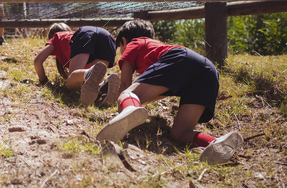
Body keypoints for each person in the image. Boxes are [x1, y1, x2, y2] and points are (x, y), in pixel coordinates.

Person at [96, 19, 243, 165]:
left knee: (127, 94)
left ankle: (128, 111)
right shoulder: (157, 49)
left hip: (182, 58)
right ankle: (216, 143)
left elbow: (126, 84)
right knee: (180, 133)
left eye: (120, 47)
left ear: (123, 40)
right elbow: (161, 90)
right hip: (208, 71)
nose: (121, 53)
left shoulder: (133, 43)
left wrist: (120, 110)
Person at [34, 23, 119, 106]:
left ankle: (87, 73)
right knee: (97, 82)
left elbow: (37, 61)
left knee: (70, 83)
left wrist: (44, 81)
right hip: (107, 36)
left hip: (86, 34)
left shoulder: (57, 37)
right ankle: (105, 86)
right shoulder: (72, 36)